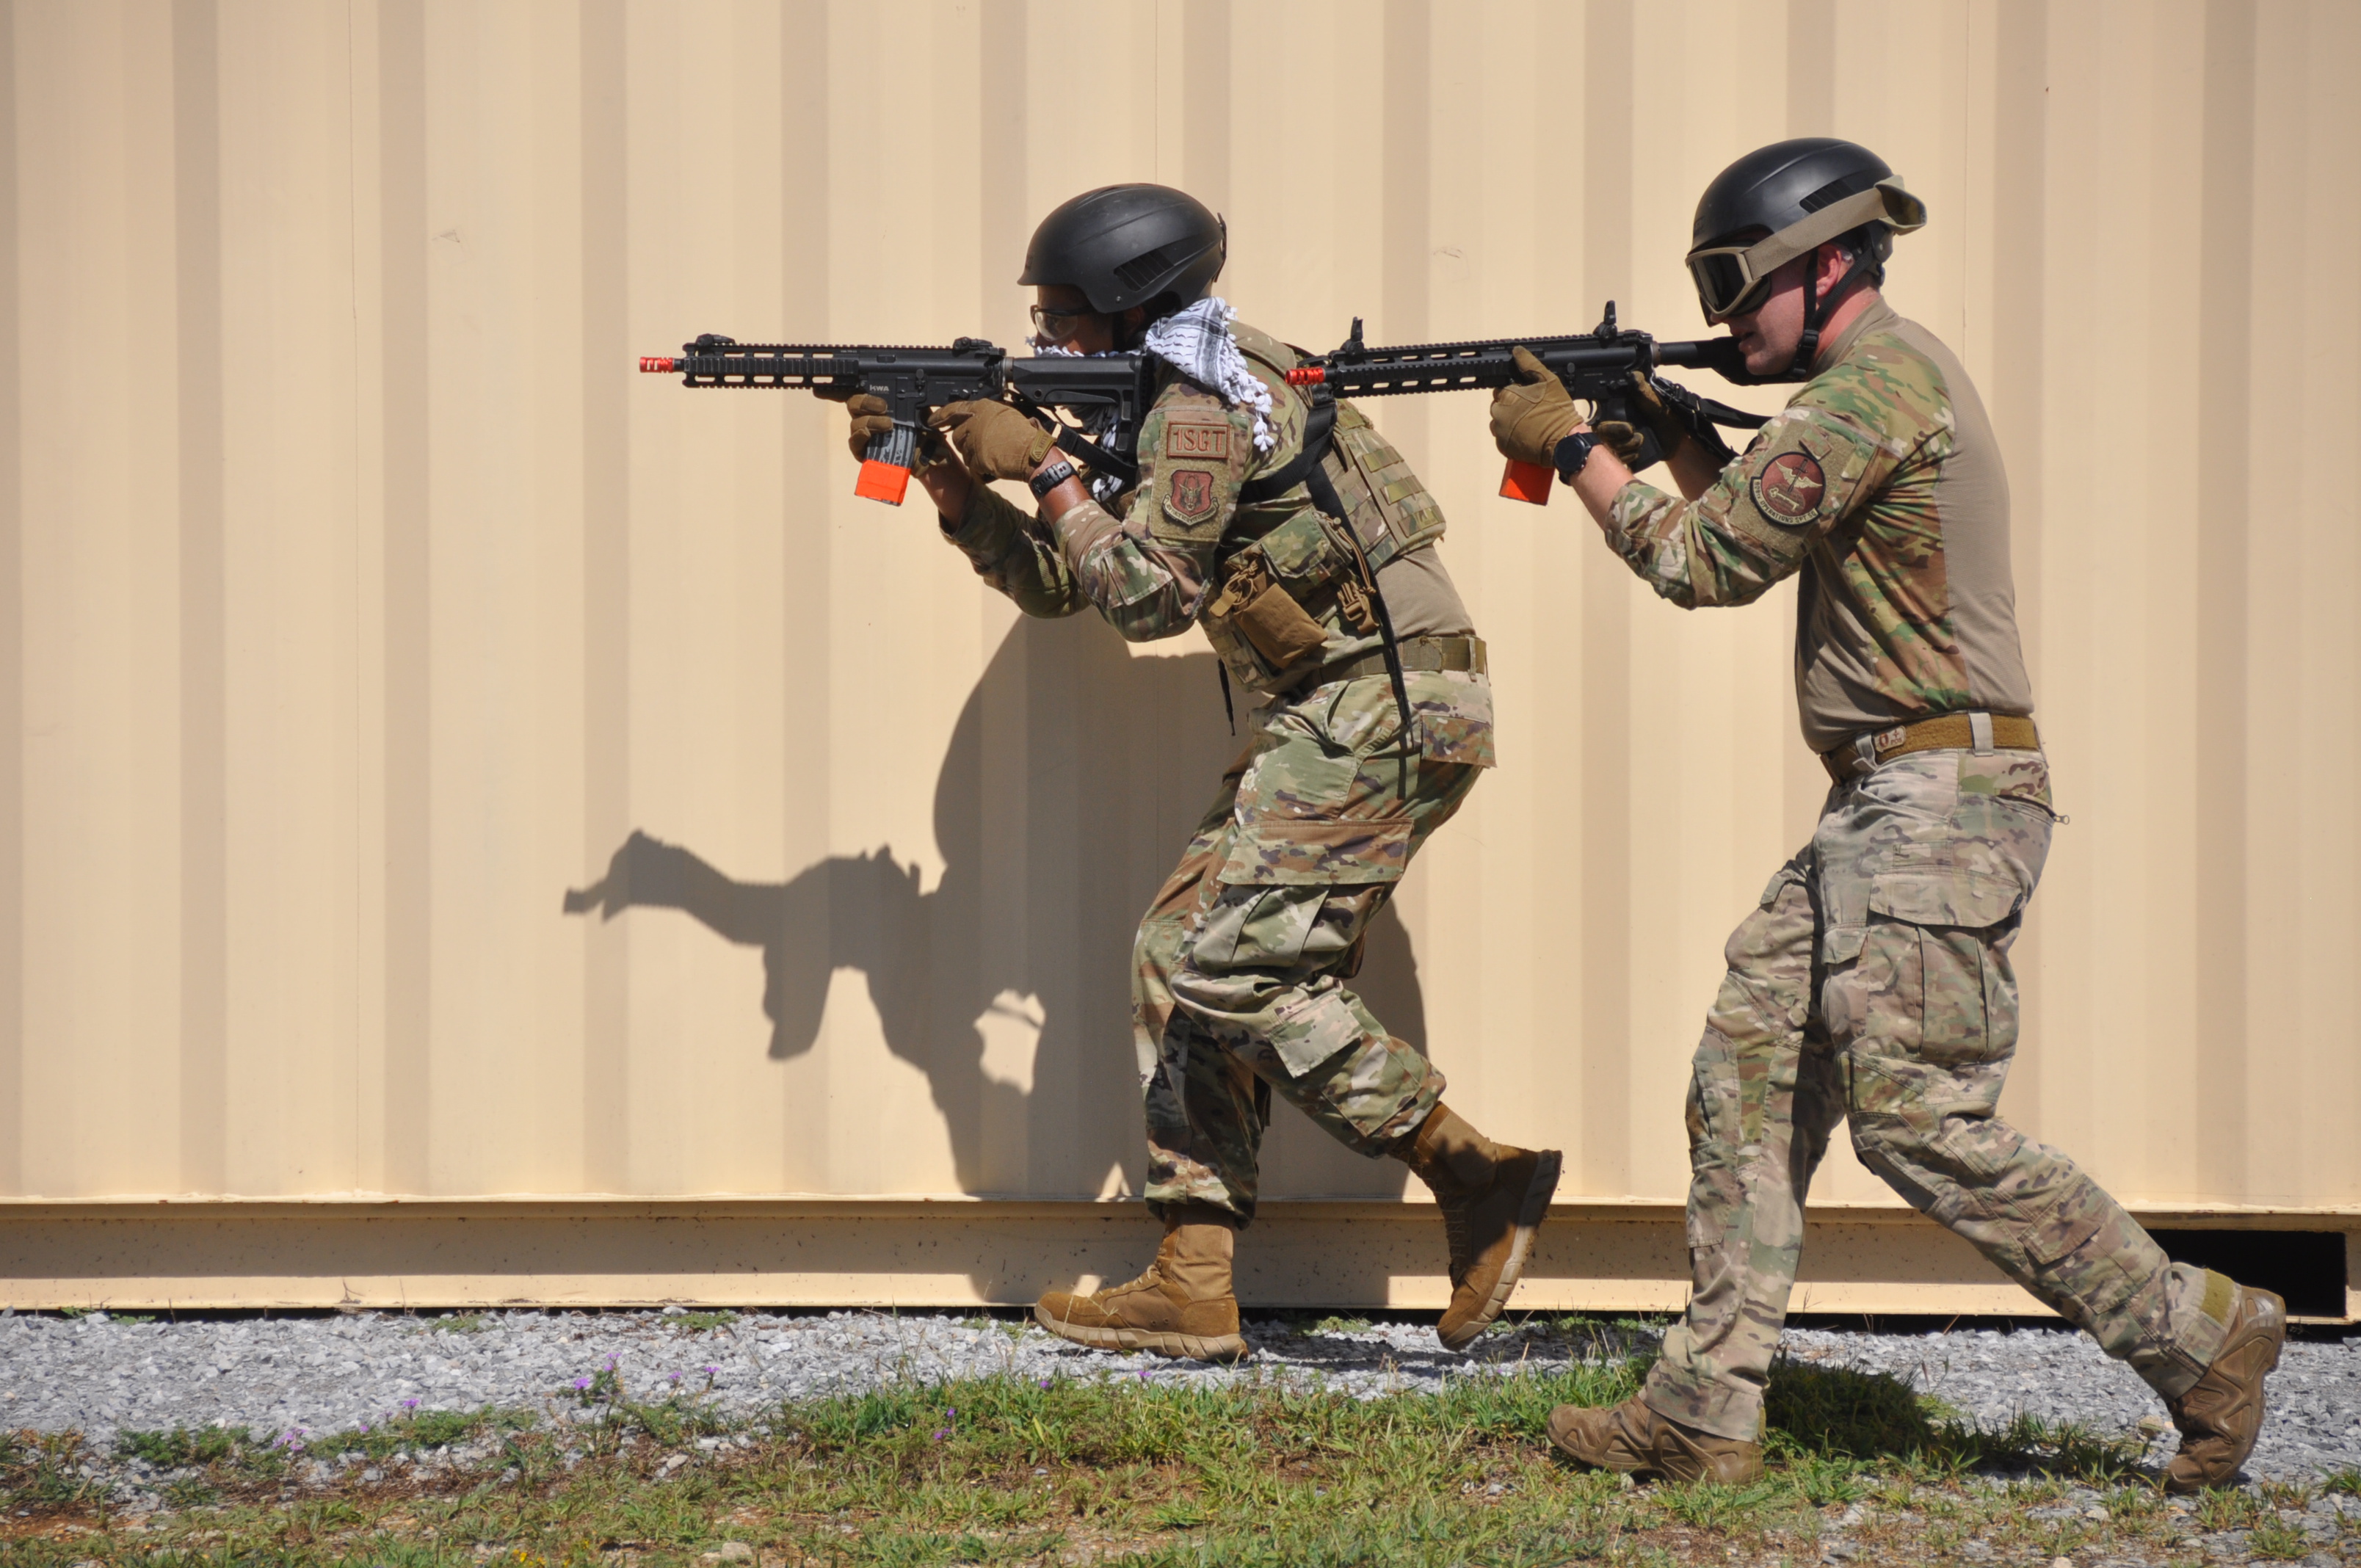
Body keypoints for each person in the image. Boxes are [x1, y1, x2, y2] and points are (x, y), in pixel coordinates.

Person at [1488, 139, 2282, 1489]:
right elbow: (1754, 516)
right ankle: (1704, 1410)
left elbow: (1706, 562)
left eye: (1740, 287)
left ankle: (2200, 1333)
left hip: (1937, 804)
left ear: (1832, 262)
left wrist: (1574, 451)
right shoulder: (1864, 393)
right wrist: (1674, 429)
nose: (1729, 320)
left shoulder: (1872, 390)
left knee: (1918, 1120)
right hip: (1891, 799)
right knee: (1748, 1070)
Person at [827, 184, 1562, 1361]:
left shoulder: (1207, 403)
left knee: (1238, 972)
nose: (1045, 342)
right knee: (1177, 956)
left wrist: (1048, 473)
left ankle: (1475, 1174)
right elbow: (1076, 581)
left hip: (1384, 705)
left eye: (1062, 318)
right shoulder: (1166, 395)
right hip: (1340, 708)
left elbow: (1147, 599)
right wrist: (960, 492)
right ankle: (1193, 1282)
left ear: (1129, 307)